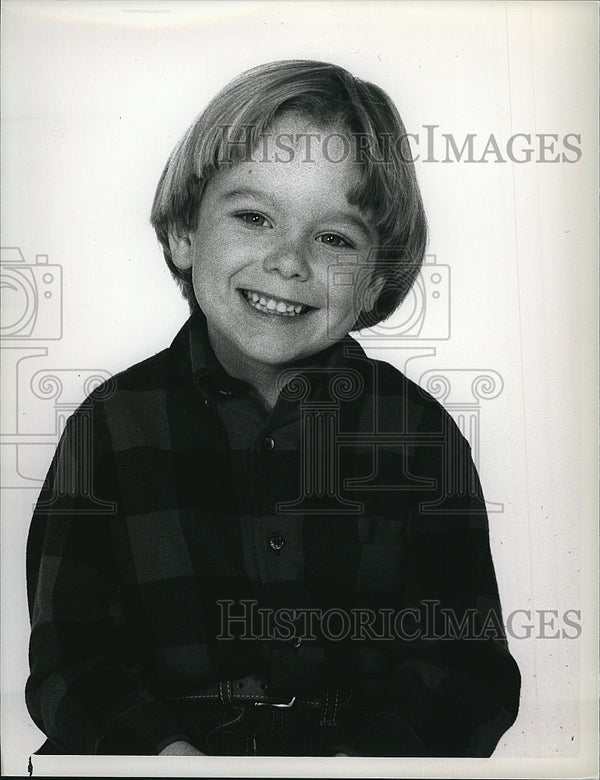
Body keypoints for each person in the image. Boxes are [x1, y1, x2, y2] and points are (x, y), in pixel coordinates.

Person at [25, 60, 520, 757]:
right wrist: (170, 762)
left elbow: (465, 672)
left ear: (376, 280)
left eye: (335, 237)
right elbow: (71, 667)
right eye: (254, 217)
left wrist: (359, 772)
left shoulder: (416, 438)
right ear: (184, 234)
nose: (290, 262)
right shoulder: (108, 427)